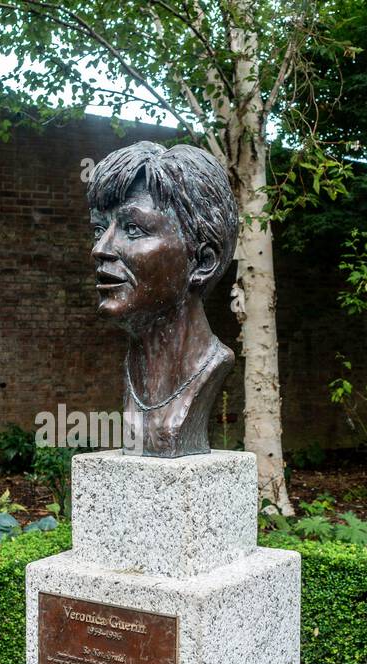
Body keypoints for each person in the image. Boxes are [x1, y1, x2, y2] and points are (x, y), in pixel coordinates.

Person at [87, 141, 238, 457]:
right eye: (99, 228)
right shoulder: (133, 372)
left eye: (133, 228)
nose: (100, 248)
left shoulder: (210, 367)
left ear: (202, 261)